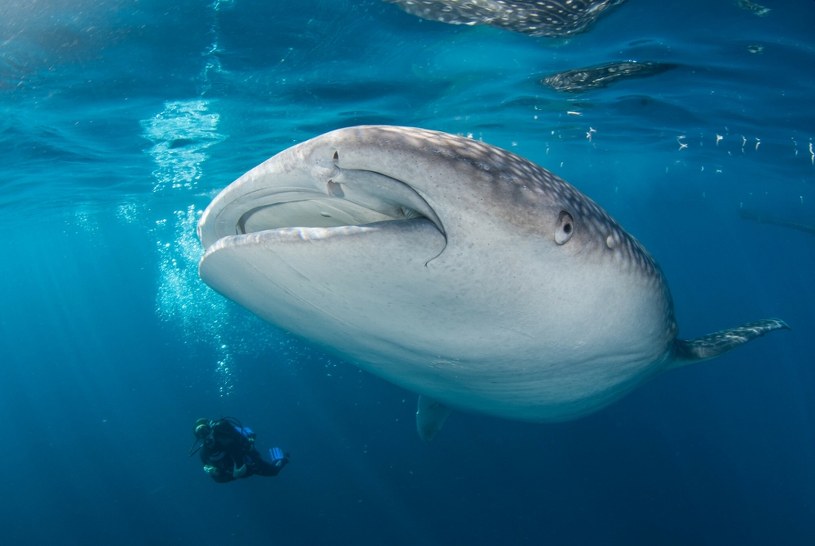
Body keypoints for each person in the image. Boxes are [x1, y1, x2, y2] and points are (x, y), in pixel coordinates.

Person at [191, 417, 289, 483]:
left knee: (274, 471)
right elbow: (218, 479)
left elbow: (239, 449)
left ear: (211, 430)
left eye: (205, 431)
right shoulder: (204, 454)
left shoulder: (225, 440)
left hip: (249, 462)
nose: (205, 437)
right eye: (200, 435)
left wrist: (237, 472)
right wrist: (217, 473)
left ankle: (282, 459)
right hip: (238, 472)